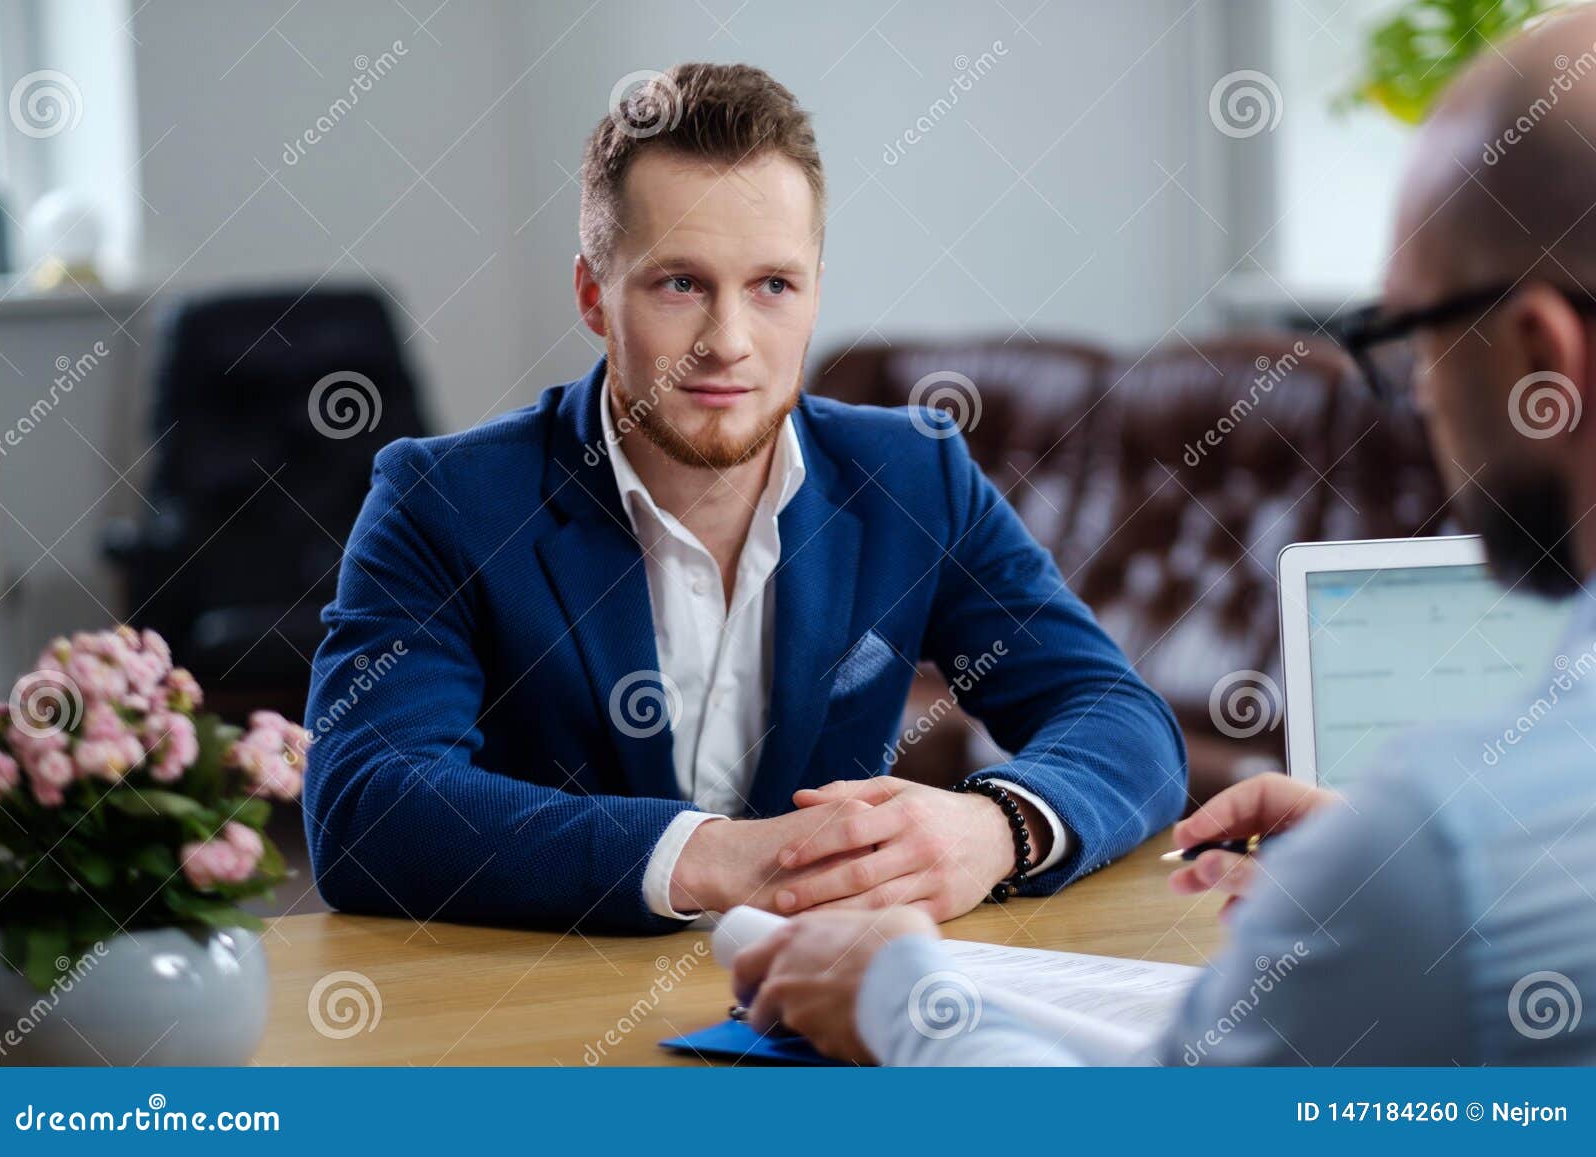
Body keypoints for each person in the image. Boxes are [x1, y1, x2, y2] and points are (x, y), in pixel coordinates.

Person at [732, 9, 1596, 1063]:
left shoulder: (1450, 858)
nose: (1417, 396)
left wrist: (905, 998)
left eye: (1413, 337)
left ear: (1541, 356)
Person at [302, 63, 1186, 934]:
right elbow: (366, 803)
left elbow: (1120, 719)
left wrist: (1000, 826)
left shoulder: (915, 476)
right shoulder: (445, 499)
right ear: (592, 296)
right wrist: (721, 856)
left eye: (772, 286)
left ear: (814, 294)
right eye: (680, 283)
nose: (728, 342)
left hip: (814, 1016)